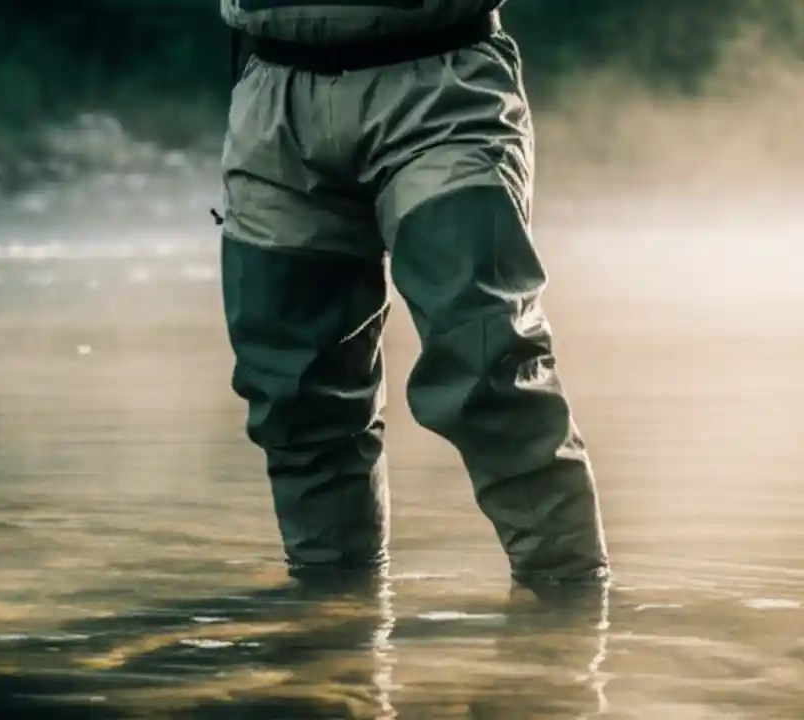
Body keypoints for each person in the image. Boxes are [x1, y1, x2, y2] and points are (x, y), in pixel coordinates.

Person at [218, 0, 608, 585]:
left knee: (486, 362)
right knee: (295, 396)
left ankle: (570, 621)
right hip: (273, 93)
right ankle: (330, 635)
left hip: (441, 84)